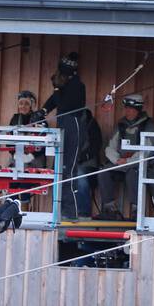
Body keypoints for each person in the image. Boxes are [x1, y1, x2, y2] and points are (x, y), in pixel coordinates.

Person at [41, 52, 91, 218]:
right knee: (60, 168)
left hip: (73, 127)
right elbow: (54, 101)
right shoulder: (66, 85)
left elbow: (62, 103)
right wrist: (42, 111)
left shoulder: (77, 86)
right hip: (63, 126)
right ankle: (61, 210)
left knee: (69, 169)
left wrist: (56, 88)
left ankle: (72, 211)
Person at [99, 93, 154, 220]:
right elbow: (110, 146)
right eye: (126, 108)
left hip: (138, 164)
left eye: (131, 109)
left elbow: (148, 150)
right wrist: (116, 160)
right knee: (103, 172)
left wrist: (129, 161)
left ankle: (136, 210)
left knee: (133, 174)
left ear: (138, 109)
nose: (128, 111)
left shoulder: (148, 124)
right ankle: (109, 209)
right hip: (120, 163)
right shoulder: (121, 124)